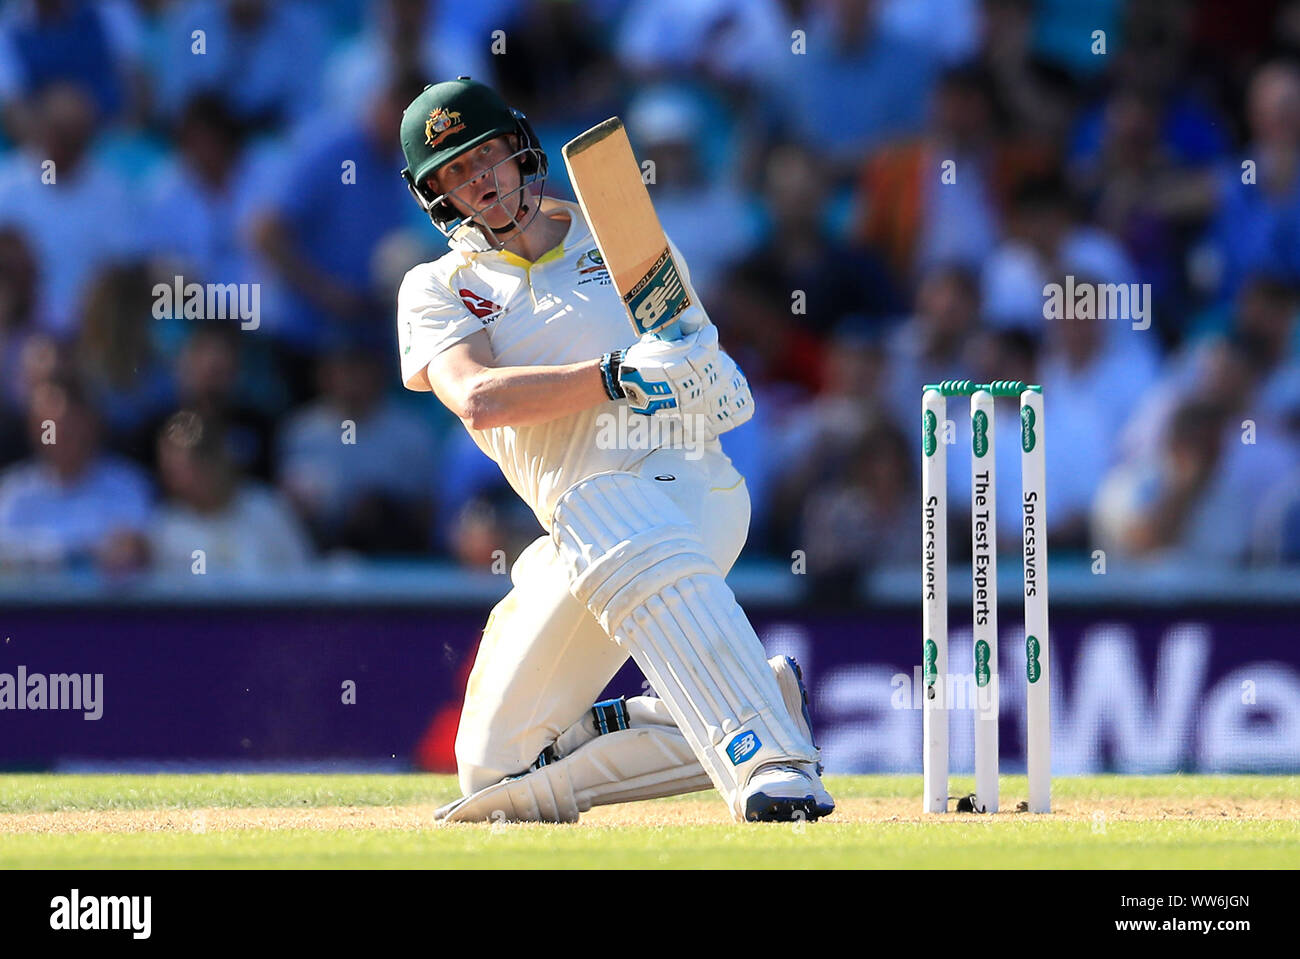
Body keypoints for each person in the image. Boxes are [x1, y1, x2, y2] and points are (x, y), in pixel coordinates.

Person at [395, 78, 832, 823]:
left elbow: (718, 383)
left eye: (488, 158)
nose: (482, 184)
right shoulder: (437, 287)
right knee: (494, 771)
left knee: (601, 497)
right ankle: (762, 696)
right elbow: (476, 396)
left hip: (687, 485)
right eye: (456, 176)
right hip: (580, 527)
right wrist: (616, 374)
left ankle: (770, 760)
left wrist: (701, 372)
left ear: (520, 151)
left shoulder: (621, 242)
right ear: (436, 196)